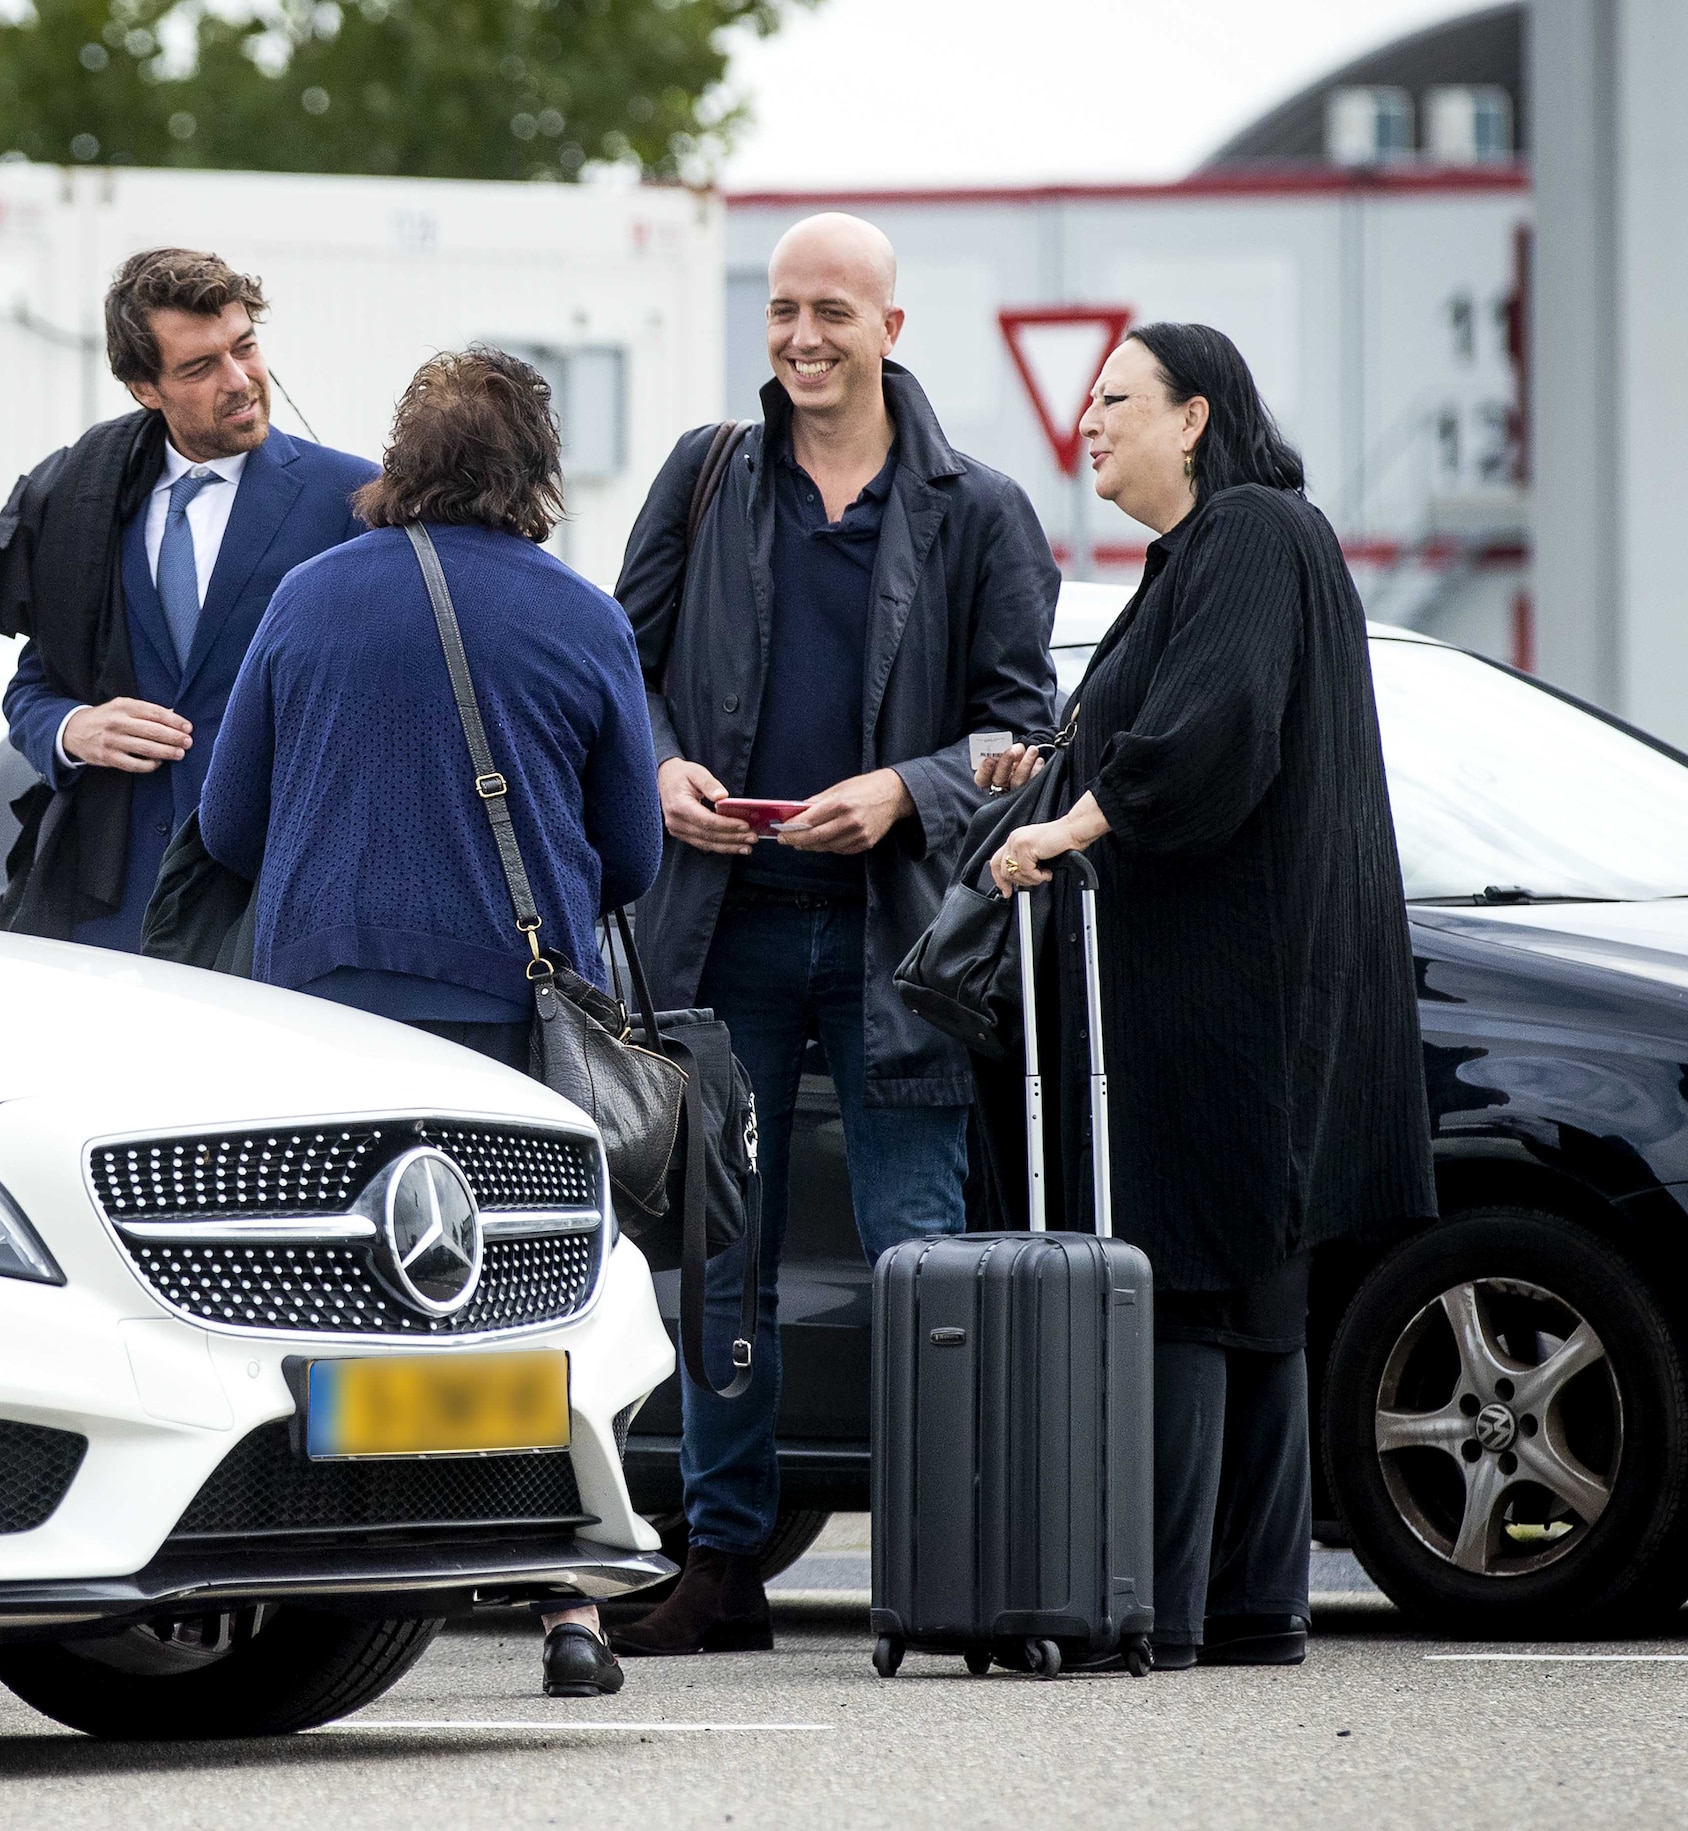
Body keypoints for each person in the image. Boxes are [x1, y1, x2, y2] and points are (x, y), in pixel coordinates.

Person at [608, 214, 1059, 1657]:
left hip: (898, 944)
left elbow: (1027, 737)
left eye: (832, 313)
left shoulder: (978, 508)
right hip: (727, 932)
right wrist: (660, 770)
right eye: (783, 310)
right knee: (720, 1261)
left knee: (914, 1251)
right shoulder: (706, 476)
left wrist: (903, 791)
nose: (802, 337)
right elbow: (620, 666)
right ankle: (723, 1562)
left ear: (891, 327)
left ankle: (943, 1567)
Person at [197, 347, 663, 1697]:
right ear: (536, 474)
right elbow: (629, 852)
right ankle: (571, 1601)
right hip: (509, 1022)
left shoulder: (307, 598)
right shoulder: (581, 619)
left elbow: (227, 825)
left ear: (400, 460)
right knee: (535, 1302)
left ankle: (321, 1554)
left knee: (323, 1290)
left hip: (324, 1018)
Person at [983, 322, 1434, 1670]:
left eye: (1117, 398)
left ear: (1195, 417)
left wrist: (1073, 828)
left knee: (1183, 1274)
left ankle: (1156, 1607)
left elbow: (1221, 724)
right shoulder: (1237, 545)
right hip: (1241, 981)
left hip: (1212, 983)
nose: (1091, 422)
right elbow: (1188, 718)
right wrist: (1055, 775)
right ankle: (1248, 1606)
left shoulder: (1245, 532)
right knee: (1252, 1290)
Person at [0, 248, 378, 949]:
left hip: (275, 907)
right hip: (111, 910)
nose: (240, 380)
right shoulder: (81, 502)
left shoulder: (351, 502)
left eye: (245, 348)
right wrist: (73, 730)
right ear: (143, 388)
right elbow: (33, 685)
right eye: (200, 367)